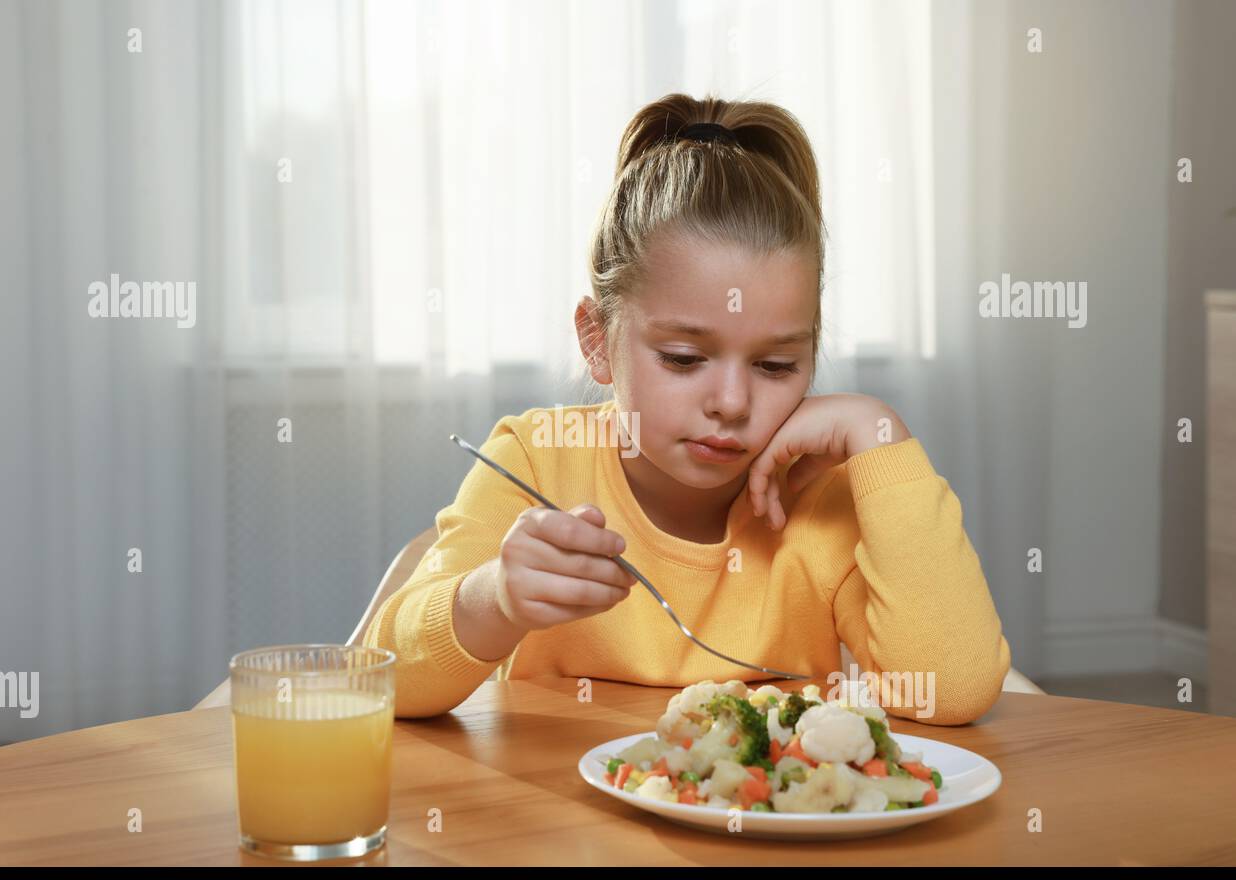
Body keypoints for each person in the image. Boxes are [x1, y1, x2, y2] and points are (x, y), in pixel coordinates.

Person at [364, 93, 1011, 724]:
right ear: (597, 341)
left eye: (775, 366)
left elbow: (952, 691)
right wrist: (494, 600)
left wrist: (880, 436)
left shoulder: (820, 498)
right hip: (561, 830)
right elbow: (380, 679)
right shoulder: (537, 462)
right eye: (682, 358)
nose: (731, 403)